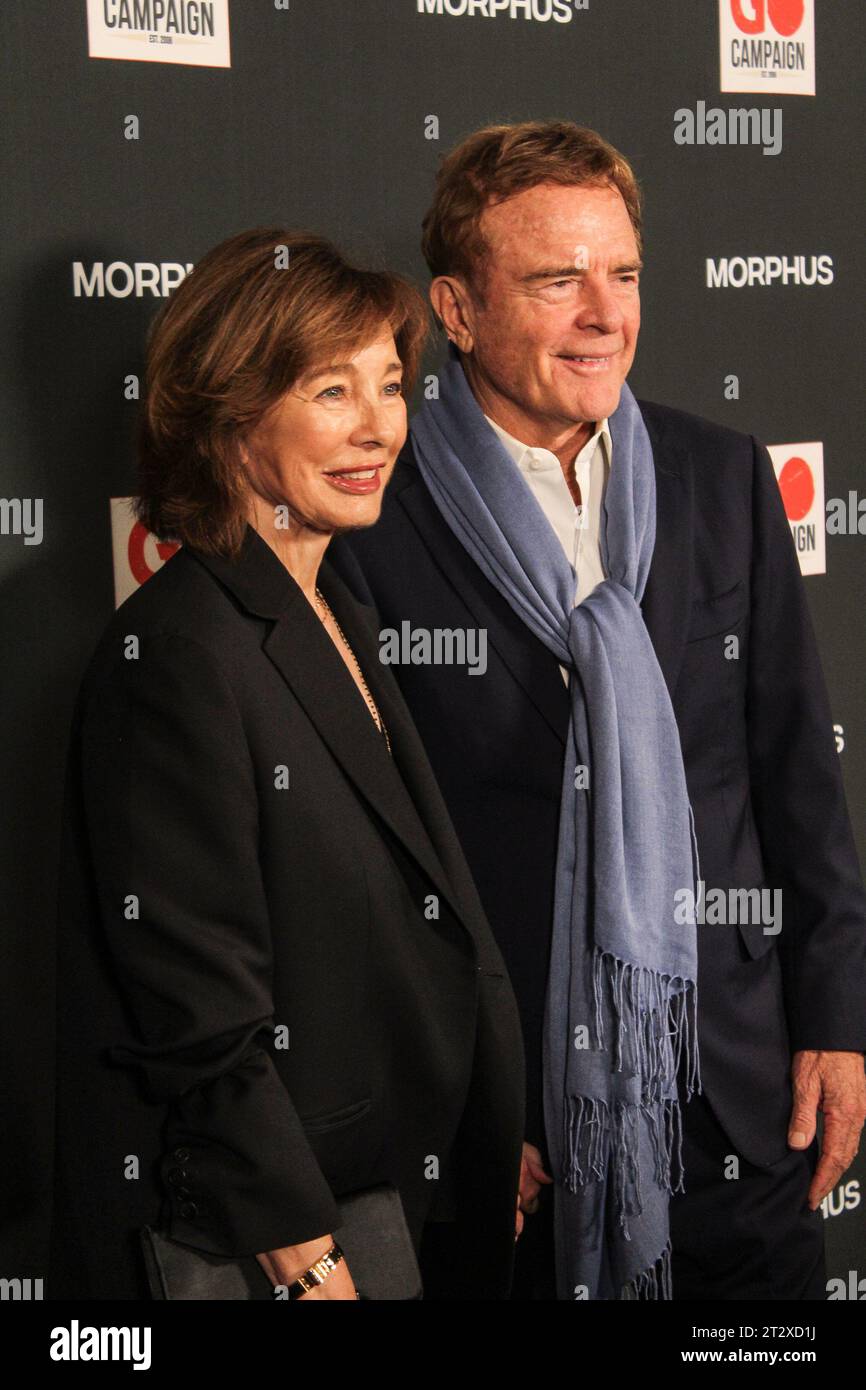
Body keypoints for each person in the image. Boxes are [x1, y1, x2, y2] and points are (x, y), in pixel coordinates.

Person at [329, 122, 866, 1300]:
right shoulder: (378, 515)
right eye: (554, 279)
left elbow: (794, 772)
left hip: (737, 1080)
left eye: (619, 275)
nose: (601, 313)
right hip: (517, 1113)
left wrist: (834, 1019)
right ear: (457, 312)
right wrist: (459, 1094)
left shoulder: (720, 475)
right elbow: (369, 865)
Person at [48, 227, 525, 1301]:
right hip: (297, 1240)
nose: (376, 428)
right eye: (329, 391)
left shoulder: (329, 604)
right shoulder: (178, 653)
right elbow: (198, 1018)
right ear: (228, 414)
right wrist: (309, 1268)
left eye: (390, 386)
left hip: (397, 1194)